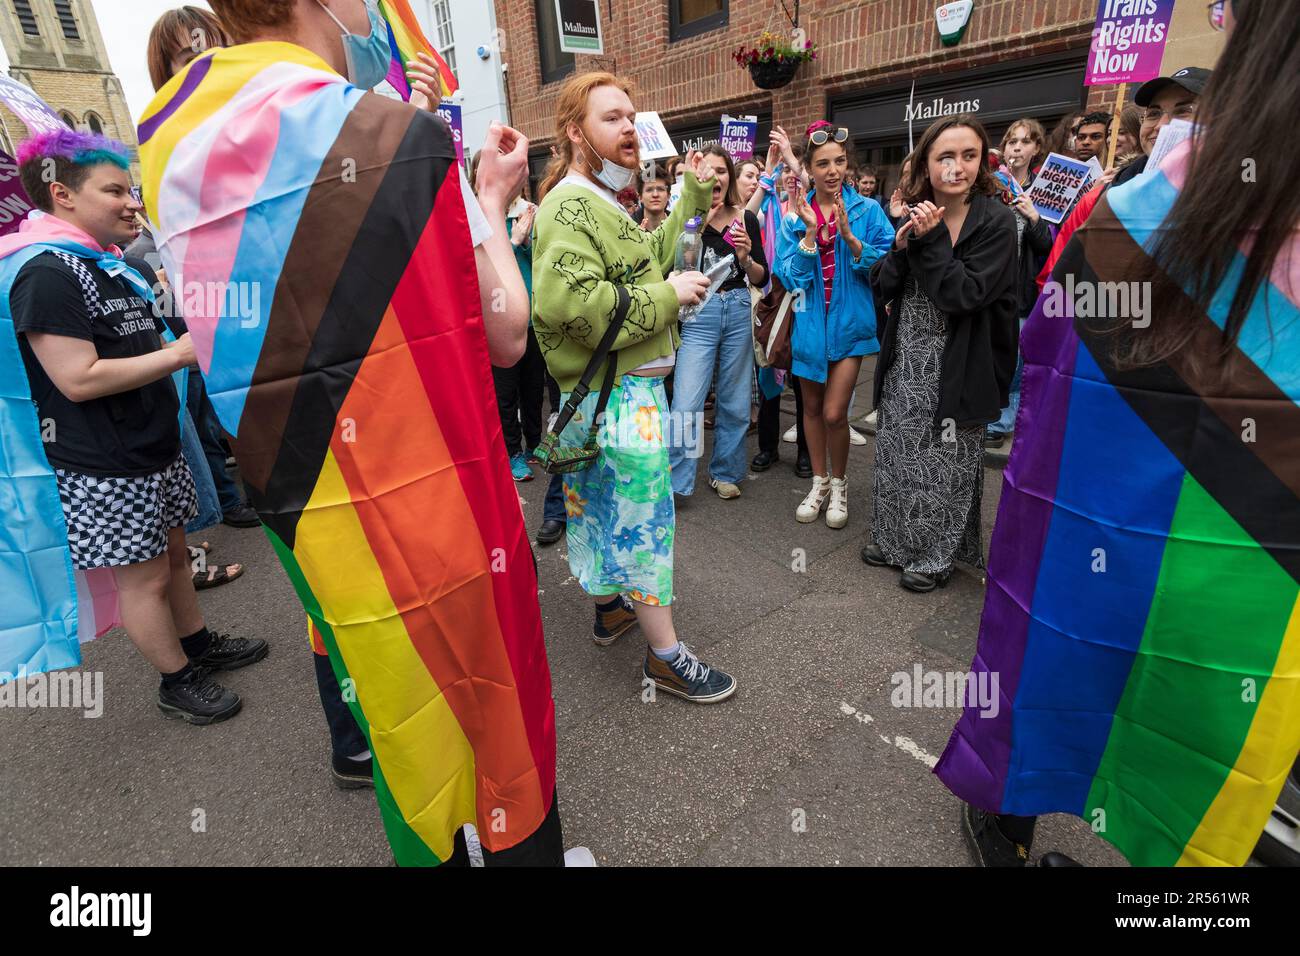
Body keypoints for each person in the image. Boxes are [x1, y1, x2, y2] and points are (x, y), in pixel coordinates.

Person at [149, 0, 568, 866]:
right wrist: (489, 199)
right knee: (495, 713)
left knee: (394, 712)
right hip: (443, 499)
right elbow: (507, 335)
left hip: (317, 518)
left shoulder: (172, 160)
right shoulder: (398, 139)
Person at [940, 0, 1300, 867]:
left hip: (1110, 520)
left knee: (1058, 646)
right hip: (1256, 579)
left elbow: (1049, 339)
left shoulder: (1150, 199)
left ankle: (1012, 820)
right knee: (1213, 734)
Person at [8, 130, 269, 723]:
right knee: (144, 578)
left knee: (175, 557)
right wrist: (181, 354)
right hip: (104, 462)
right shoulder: (46, 273)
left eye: (131, 188)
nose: (132, 201)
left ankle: (198, 645)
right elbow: (78, 378)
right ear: (61, 194)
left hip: (153, 446)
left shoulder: (106, 265)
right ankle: (176, 681)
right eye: (115, 190)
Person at [531, 70, 737, 704]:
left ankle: (611, 611)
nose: (630, 128)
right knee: (647, 526)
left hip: (605, 400)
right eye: (612, 118)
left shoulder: (594, 200)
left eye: (631, 115)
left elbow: (645, 253)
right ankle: (666, 657)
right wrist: (667, 296)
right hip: (621, 399)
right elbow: (571, 307)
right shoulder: (571, 203)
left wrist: (692, 198)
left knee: (594, 513)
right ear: (576, 133)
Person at [863, 115, 1018, 592]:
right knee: (896, 452)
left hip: (961, 356)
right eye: (945, 157)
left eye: (968, 156)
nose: (957, 167)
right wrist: (901, 247)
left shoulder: (995, 220)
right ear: (927, 165)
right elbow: (883, 288)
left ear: (982, 161)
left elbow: (963, 295)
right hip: (909, 349)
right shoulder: (918, 211)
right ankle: (892, 541)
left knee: (946, 462)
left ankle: (934, 557)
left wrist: (929, 242)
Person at [144, 5, 261, 531]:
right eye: (187, 57)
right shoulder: (167, 157)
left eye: (215, 48)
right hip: (237, 334)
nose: (205, 64)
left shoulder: (268, 113)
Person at [775, 122, 893, 529]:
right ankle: (819, 482)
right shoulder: (795, 217)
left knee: (833, 412)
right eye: (823, 163)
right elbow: (788, 277)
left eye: (839, 161)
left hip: (850, 328)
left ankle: (839, 484)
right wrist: (810, 233)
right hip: (809, 326)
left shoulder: (868, 210)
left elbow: (888, 265)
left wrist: (850, 238)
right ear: (809, 167)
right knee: (809, 409)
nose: (832, 170)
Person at [667, 146, 768, 500]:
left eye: (722, 171)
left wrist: (744, 256)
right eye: (707, 171)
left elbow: (760, 275)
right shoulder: (684, 220)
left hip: (738, 305)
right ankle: (677, 482)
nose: (715, 178)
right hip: (699, 310)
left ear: (729, 176)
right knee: (686, 402)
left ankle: (725, 472)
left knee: (735, 399)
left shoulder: (746, 219)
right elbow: (670, 272)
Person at [985, 118, 1053, 448]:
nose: (1016, 147)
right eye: (1012, 141)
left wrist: (1034, 216)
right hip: (992, 285)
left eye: (1025, 142)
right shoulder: (994, 186)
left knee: (1016, 358)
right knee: (989, 351)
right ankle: (984, 411)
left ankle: (1002, 421)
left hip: (1023, 290)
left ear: (1036, 148)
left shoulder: (1045, 189)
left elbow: (1049, 247)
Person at [749, 137, 811, 477]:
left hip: (804, 302)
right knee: (768, 368)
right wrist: (770, 170)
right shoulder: (770, 206)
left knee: (803, 378)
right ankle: (768, 448)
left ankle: (805, 451)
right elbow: (745, 219)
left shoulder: (812, 206)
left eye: (794, 168)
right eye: (785, 169)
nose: (790, 174)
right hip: (772, 299)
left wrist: (791, 158)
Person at [635, 163, 671, 232]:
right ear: (640, 197)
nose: (655, 194)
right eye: (649, 190)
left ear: (668, 196)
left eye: (660, 189)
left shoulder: (679, 225)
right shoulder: (629, 227)